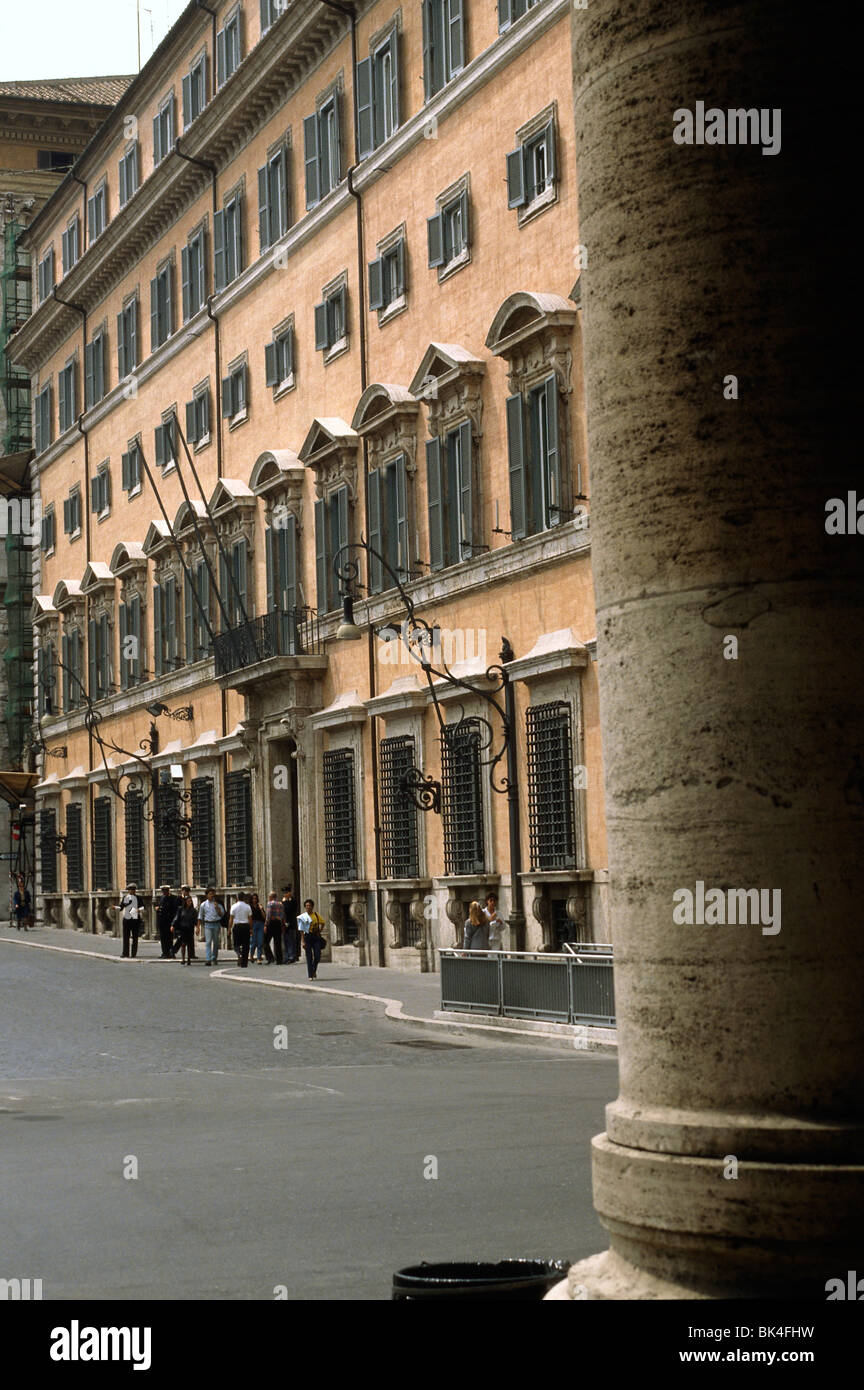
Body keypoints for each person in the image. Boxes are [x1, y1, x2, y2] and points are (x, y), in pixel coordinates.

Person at [298, 899, 326, 979]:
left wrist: (319, 931)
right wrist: (303, 941)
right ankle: (310, 974)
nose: (308, 907)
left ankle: (314, 969)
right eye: (307, 906)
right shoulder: (303, 917)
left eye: (309, 905)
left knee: (317, 955)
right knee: (309, 956)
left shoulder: (316, 915)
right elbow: (301, 930)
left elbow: (323, 923)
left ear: (312, 907)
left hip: (315, 936)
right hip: (307, 936)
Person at [198, 887, 225, 966]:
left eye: (212, 894)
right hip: (208, 924)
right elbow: (200, 916)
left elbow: (222, 914)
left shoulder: (218, 904)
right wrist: (198, 927)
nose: (211, 895)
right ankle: (208, 959)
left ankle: (214, 957)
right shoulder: (203, 905)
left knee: (216, 942)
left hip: (216, 924)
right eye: (210, 894)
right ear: (207, 895)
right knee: (208, 942)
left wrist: (217, 908)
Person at [116, 883, 142, 958]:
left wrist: (138, 910)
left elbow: (143, 907)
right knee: (125, 937)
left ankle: (133, 953)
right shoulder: (125, 898)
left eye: (133, 889)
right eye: (130, 889)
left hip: (135, 920)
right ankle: (125, 953)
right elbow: (121, 907)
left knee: (135, 937)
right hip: (127, 919)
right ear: (128, 890)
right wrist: (115, 907)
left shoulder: (138, 898)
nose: (132, 891)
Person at [172, 885, 198, 959]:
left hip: (189, 922)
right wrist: (174, 924)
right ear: (182, 891)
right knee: (180, 940)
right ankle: (173, 951)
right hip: (182, 923)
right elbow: (176, 911)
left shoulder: (189, 898)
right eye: (185, 891)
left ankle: (191, 954)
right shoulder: (179, 898)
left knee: (191, 939)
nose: (186, 892)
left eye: (187, 891)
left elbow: (192, 909)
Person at [156, 884, 180, 959]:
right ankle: (164, 953)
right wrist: (157, 909)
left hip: (169, 921)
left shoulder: (173, 898)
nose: (164, 892)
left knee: (169, 938)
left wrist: (173, 922)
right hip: (162, 921)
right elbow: (160, 909)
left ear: (168, 890)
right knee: (163, 938)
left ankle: (171, 953)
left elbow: (174, 910)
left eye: (165, 891)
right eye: (163, 891)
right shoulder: (161, 898)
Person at [230, 893, 253, 968]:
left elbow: (231, 919)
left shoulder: (233, 906)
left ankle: (239, 953)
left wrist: (229, 928)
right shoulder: (248, 906)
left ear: (237, 898)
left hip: (237, 926)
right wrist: (251, 928)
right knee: (245, 945)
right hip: (245, 926)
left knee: (236, 943)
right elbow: (250, 919)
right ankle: (244, 963)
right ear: (244, 898)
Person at [264, 891, 285, 964]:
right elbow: (282, 915)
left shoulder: (270, 904)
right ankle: (279, 960)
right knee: (278, 942)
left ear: (271, 897)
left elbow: (268, 915)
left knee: (265, 941)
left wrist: (265, 925)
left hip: (271, 923)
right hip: (278, 923)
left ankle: (270, 958)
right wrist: (282, 924)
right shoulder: (280, 904)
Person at [281, 885, 300, 963]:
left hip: (291, 923)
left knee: (291, 940)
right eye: (284, 893)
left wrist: (285, 902)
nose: (285, 894)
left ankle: (292, 956)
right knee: (285, 940)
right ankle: (287, 956)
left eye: (286, 892)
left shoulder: (292, 901)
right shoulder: (283, 901)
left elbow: (289, 910)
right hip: (284, 923)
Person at [250, 893, 266, 963]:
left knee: (260, 941)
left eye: (256, 899)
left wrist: (261, 909)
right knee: (253, 942)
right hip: (253, 924)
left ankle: (259, 958)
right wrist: (250, 928)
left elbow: (264, 917)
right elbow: (249, 918)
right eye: (253, 899)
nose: (254, 900)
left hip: (261, 924)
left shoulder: (259, 906)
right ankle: (251, 955)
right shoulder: (249, 907)